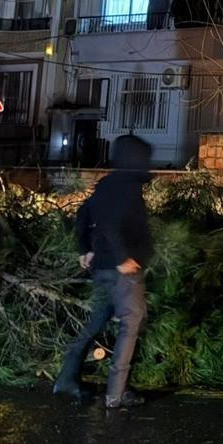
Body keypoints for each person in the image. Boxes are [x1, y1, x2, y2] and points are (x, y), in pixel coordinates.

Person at [55, 134, 154, 408]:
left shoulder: (106, 185)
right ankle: (116, 393)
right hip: (121, 271)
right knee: (131, 323)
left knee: (97, 321)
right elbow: (109, 223)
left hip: (102, 268)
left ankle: (67, 378)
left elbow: (84, 214)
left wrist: (84, 247)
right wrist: (123, 258)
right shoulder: (126, 187)